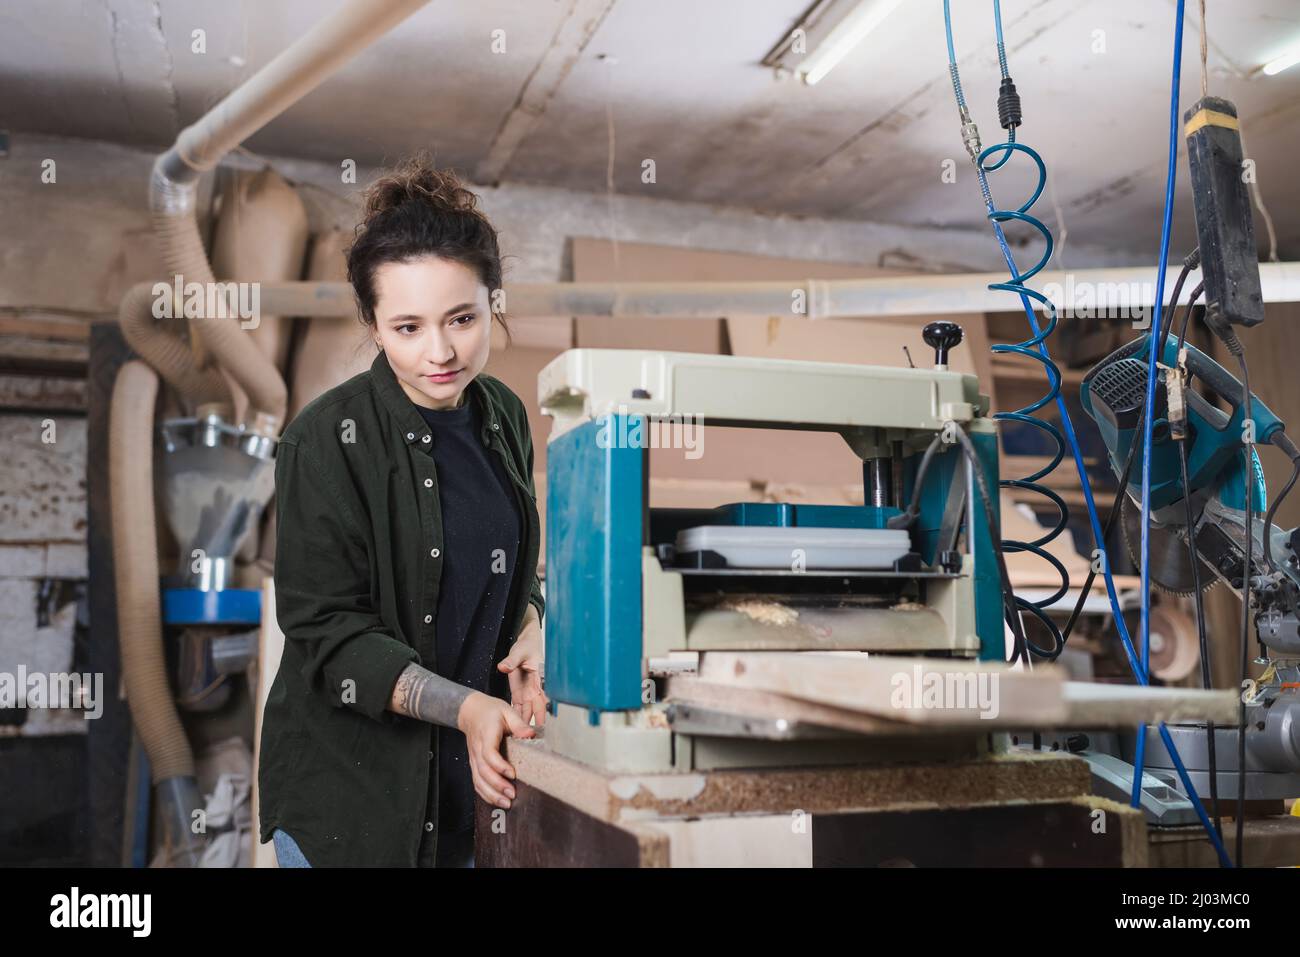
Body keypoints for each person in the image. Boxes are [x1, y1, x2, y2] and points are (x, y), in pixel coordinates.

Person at [257, 154, 547, 867]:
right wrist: (466, 707)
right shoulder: (323, 440)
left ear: (493, 303)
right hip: (352, 805)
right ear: (373, 323)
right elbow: (329, 634)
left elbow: (509, 566)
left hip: (469, 790)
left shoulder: (504, 415)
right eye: (409, 327)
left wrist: (535, 623)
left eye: (462, 318)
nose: (441, 352)